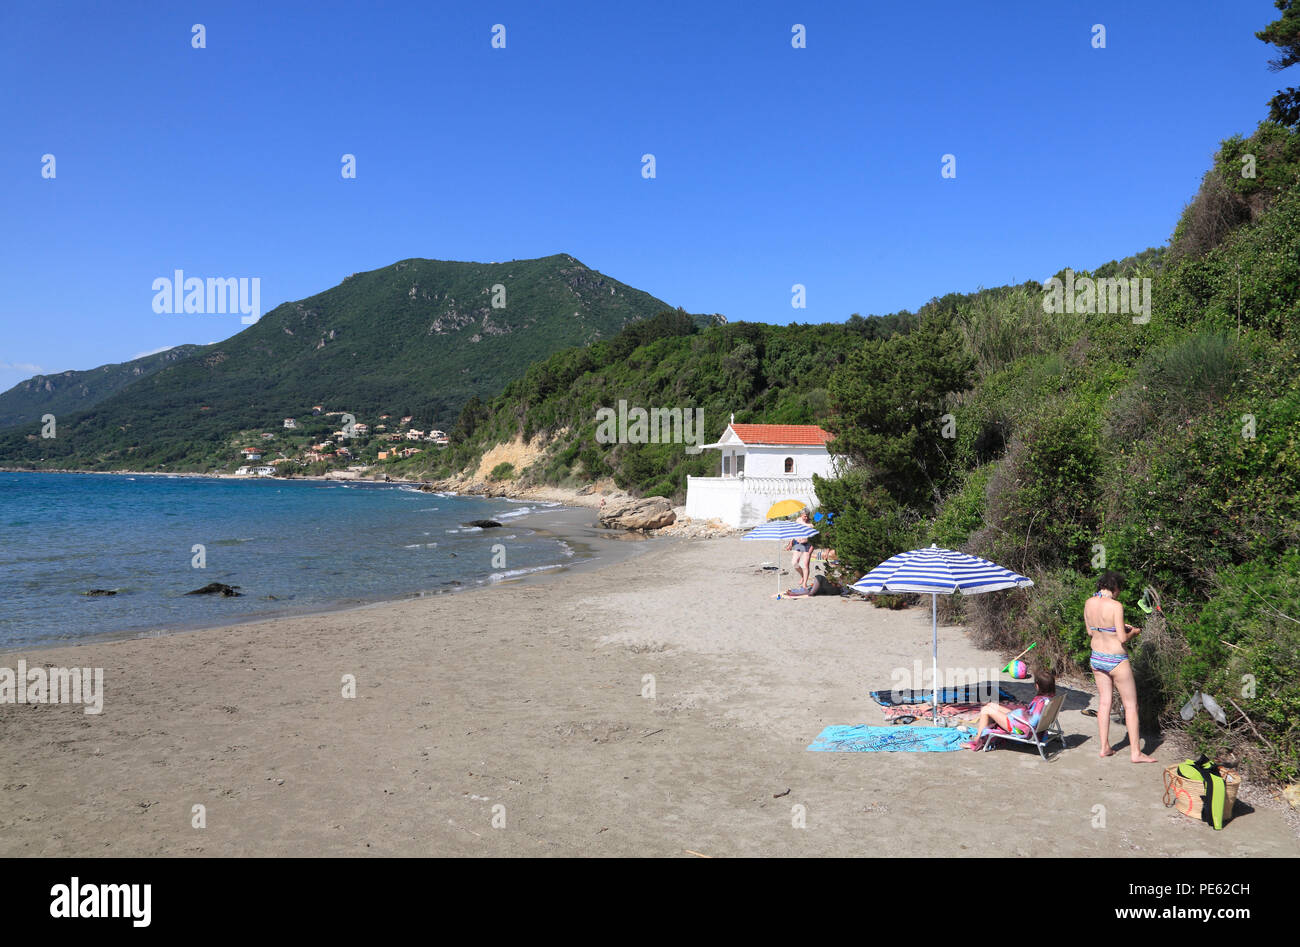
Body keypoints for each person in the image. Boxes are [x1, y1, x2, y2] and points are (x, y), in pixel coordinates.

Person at [1085, 571, 1157, 762]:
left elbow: (1090, 632)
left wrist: (1110, 629)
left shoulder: (1089, 602)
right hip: (1116, 659)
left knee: (1104, 703)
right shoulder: (1116, 606)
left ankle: (1104, 747)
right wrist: (1134, 632)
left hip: (1097, 657)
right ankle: (1136, 753)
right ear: (1115, 587)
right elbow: (1122, 638)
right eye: (1119, 589)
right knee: (1131, 705)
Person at [963, 668, 1056, 750]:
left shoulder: (1041, 703)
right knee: (991, 705)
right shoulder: (1049, 699)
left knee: (986, 710)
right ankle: (984, 734)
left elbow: (1032, 723)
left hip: (1019, 727)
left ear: (1037, 686)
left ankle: (978, 740)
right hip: (1019, 718)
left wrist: (1019, 716)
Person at [783, 510, 815, 588]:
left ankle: (804, 584)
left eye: (807, 516)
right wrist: (790, 543)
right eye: (804, 516)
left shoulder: (811, 524)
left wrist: (812, 548)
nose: (806, 518)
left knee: (805, 565)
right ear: (801, 515)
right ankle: (802, 576)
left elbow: (815, 538)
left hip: (808, 544)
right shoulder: (798, 520)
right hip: (798, 543)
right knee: (794, 562)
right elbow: (794, 532)